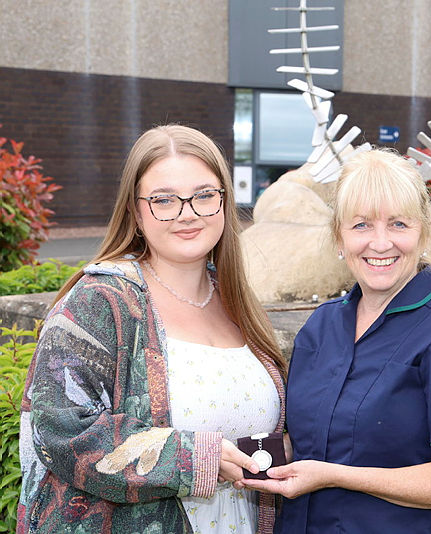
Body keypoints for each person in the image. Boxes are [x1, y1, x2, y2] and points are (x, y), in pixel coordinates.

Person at [17, 125, 287, 533]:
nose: (187, 213)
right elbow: (59, 427)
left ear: (225, 203)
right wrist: (192, 458)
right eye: (163, 200)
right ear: (136, 212)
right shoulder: (99, 302)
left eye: (204, 195)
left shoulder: (238, 304)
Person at [241, 149, 431, 533]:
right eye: (361, 225)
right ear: (339, 238)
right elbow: (307, 443)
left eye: (398, 224)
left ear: (422, 233)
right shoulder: (321, 326)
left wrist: (334, 475)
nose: (380, 244)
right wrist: (234, 456)